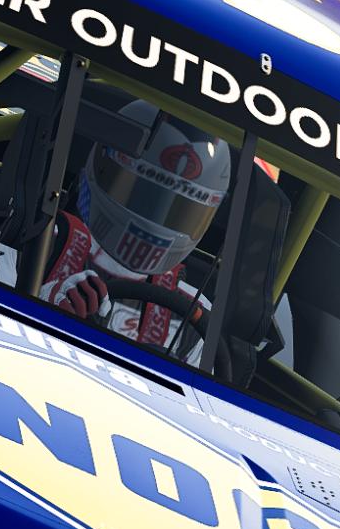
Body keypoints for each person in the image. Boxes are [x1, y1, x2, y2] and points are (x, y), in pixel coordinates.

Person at [36, 101, 229, 352]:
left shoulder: (193, 314)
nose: (155, 217)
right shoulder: (36, 241)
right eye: (145, 196)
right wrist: (41, 306)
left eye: (178, 210)